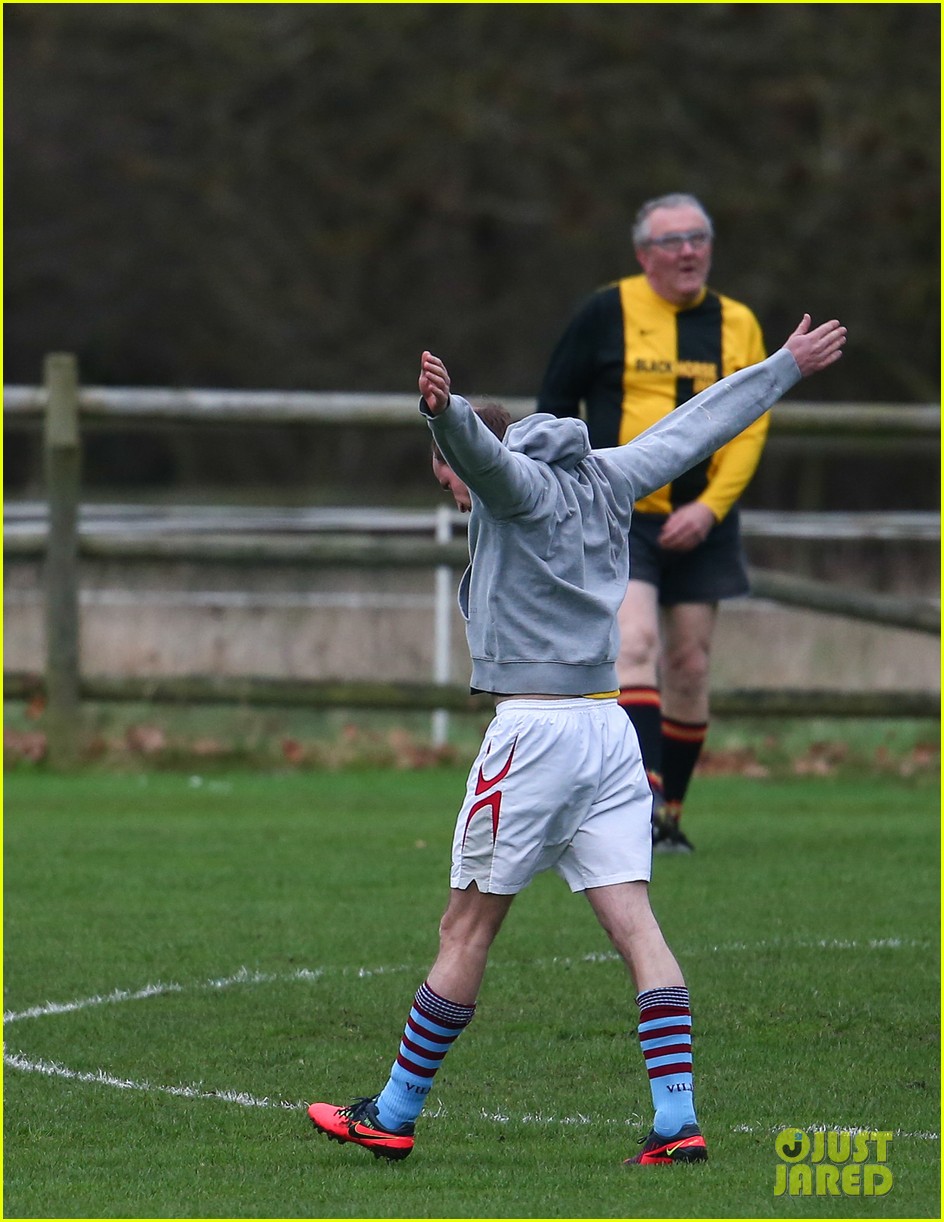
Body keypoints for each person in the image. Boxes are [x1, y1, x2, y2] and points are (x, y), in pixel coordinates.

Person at [308, 315, 846, 1167]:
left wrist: (438, 417)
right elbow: (693, 426)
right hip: (609, 730)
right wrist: (782, 365)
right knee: (636, 926)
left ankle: (395, 1112)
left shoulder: (511, 485)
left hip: (537, 733)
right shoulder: (610, 474)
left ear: (463, 462)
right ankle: (677, 1121)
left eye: (444, 479)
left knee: (465, 929)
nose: (452, 493)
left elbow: (484, 462)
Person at [537, 193, 768, 852]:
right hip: (618, 515)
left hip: (704, 519)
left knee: (691, 666)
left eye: (699, 237)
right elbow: (555, 403)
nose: (689, 251)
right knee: (634, 646)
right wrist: (570, 487)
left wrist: (710, 507)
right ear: (644, 255)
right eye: (673, 241)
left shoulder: (738, 322)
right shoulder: (603, 312)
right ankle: (638, 804)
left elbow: (752, 420)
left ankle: (670, 817)